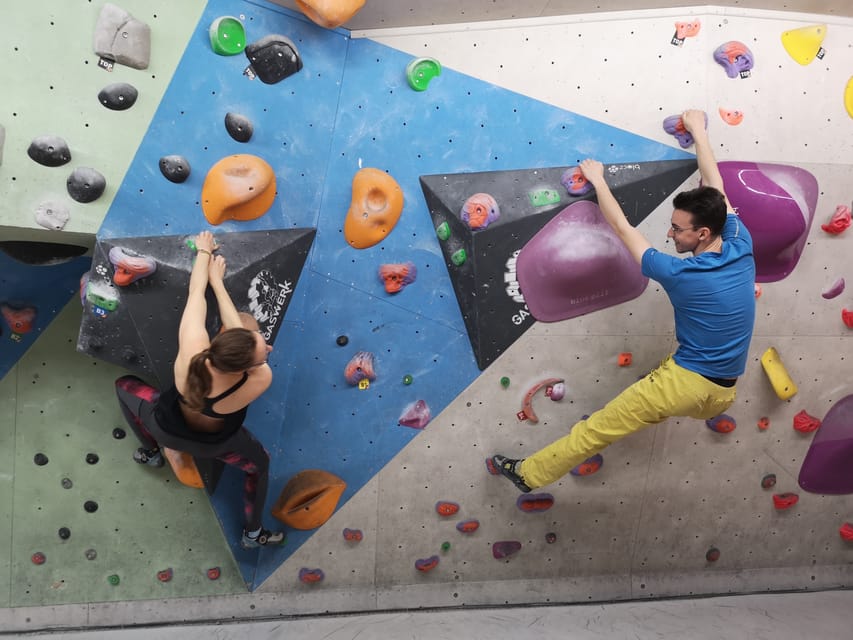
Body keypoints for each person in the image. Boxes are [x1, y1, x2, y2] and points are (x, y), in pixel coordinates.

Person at [490, 109, 756, 493]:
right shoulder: (741, 244)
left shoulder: (679, 272)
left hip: (684, 386)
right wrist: (698, 130)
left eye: (677, 230)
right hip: (723, 395)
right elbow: (716, 185)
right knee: (668, 373)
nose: (669, 234)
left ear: (702, 232)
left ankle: (528, 475)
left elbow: (621, 228)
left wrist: (598, 180)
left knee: (596, 429)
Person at [115, 230, 285, 548]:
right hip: (215, 445)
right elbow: (240, 334)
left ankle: (151, 452)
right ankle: (252, 533)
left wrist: (204, 255)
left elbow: (196, 295)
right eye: (265, 350)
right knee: (260, 466)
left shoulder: (194, 350)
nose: (269, 349)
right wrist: (219, 285)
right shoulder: (260, 379)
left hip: (163, 426)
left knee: (123, 387)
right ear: (246, 368)